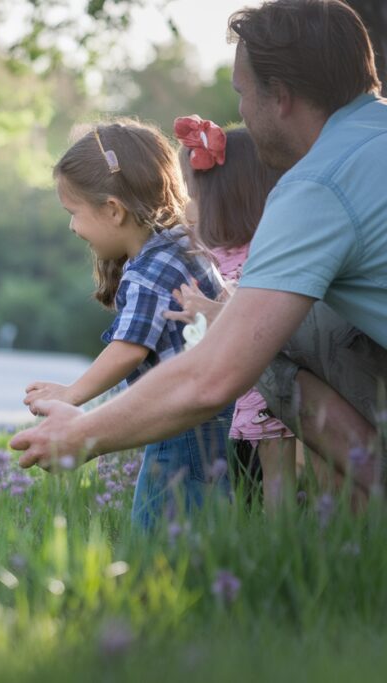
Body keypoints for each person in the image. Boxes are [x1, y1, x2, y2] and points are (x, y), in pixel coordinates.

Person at [10, 0, 386, 503]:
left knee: (262, 341)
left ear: (280, 96)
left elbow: (215, 374)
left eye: (242, 93)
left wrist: (81, 432)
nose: (240, 112)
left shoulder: (317, 186)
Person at [22, 118, 232, 528]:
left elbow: (129, 348)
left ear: (113, 210)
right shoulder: (182, 243)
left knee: (159, 531)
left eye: (74, 213)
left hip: (182, 426)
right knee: (204, 526)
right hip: (214, 416)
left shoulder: (150, 271)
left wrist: (72, 394)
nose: (72, 226)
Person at [163, 119, 296, 511]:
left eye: (194, 196)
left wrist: (211, 311)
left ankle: (285, 539)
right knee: (244, 485)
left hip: (267, 385)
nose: (186, 207)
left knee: (277, 480)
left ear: (227, 199)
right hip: (235, 387)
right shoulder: (214, 252)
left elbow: (262, 317)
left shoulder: (263, 252)